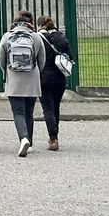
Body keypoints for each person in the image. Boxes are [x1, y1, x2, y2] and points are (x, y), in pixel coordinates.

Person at [0, 10, 46, 157]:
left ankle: (23, 138)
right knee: (29, 112)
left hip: (14, 80)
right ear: (30, 23)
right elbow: (42, 60)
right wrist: (36, 73)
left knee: (18, 112)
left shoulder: (7, 36)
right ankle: (29, 142)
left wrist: (7, 72)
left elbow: (1, 59)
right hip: (32, 81)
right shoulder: (36, 37)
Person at [37, 15, 73, 151]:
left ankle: (53, 138)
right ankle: (55, 135)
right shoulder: (61, 37)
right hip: (60, 78)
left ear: (40, 25)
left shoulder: (38, 39)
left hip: (43, 78)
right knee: (56, 106)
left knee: (48, 109)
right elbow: (71, 56)